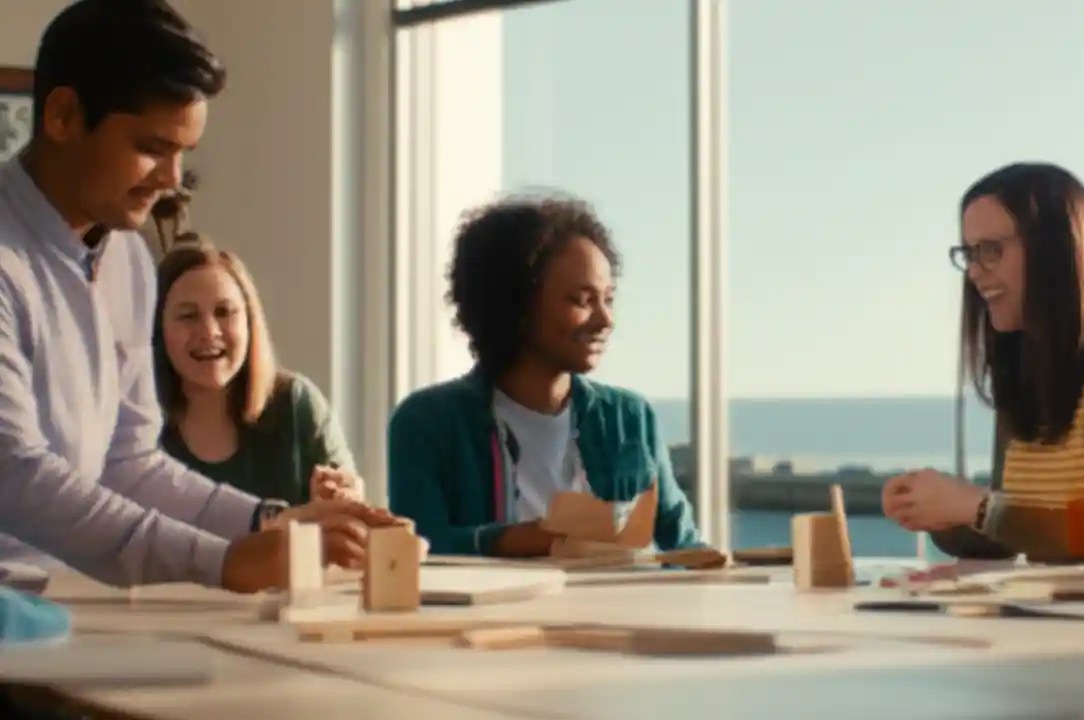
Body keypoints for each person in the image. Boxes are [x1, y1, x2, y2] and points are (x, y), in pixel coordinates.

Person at [0, 0, 397, 592]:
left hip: (73, 609)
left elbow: (128, 463)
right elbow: (13, 475)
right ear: (61, 115)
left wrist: (270, 521)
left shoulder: (128, 260)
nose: (171, 179)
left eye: (183, 153)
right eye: (152, 147)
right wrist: (227, 562)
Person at [881, 162, 1084, 565]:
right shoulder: (1026, 371)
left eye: (990, 250)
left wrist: (976, 508)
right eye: (968, 253)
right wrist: (936, 512)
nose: (974, 273)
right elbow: (1017, 532)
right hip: (1055, 622)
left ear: (1056, 254)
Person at [388, 194, 705, 557]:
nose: (606, 320)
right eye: (582, 300)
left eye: (608, 299)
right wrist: (513, 540)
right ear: (516, 304)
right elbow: (412, 553)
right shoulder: (428, 423)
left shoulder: (629, 418)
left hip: (618, 613)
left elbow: (684, 549)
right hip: (493, 616)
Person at [154, 239, 361, 505]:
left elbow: (352, 518)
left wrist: (345, 500)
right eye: (188, 316)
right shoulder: (134, 421)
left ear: (249, 323)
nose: (208, 332)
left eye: (224, 312)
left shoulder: (296, 404)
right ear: (157, 330)